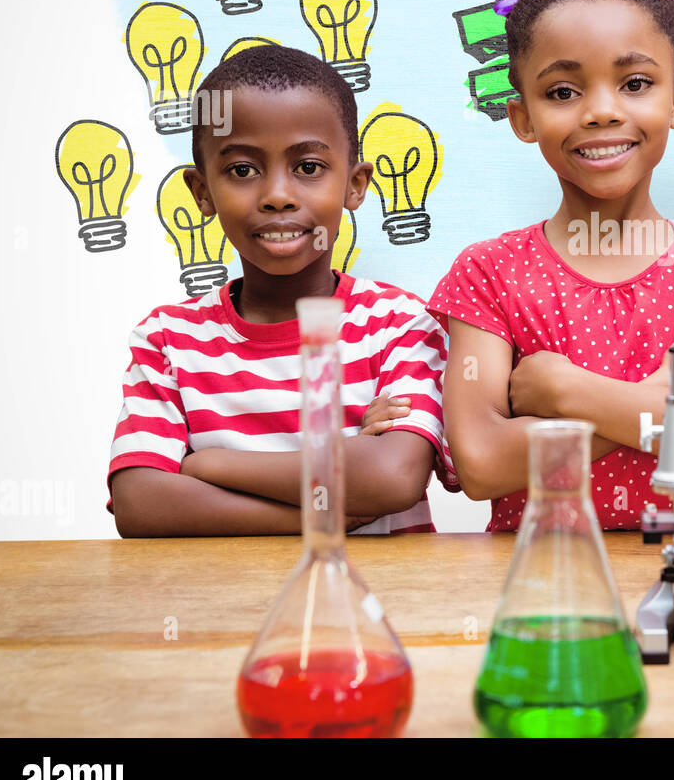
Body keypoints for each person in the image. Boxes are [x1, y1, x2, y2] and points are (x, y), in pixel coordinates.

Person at [423, 0, 674, 530]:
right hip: (537, 577)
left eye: (635, 83)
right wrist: (663, 399)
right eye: (562, 92)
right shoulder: (488, 273)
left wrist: (567, 392)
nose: (601, 111)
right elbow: (481, 464)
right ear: (522, 118)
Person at [108, 45, 456, 537]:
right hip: (225, 592)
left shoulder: (398, 324)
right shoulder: (168, 340)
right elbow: (140, 503)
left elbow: (391, 477)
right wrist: (328, 502)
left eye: (308, 167)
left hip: (381, 589)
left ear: (355, 185)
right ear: (203, 192)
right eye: (242, 170)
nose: (277, 195)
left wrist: (209, 464)